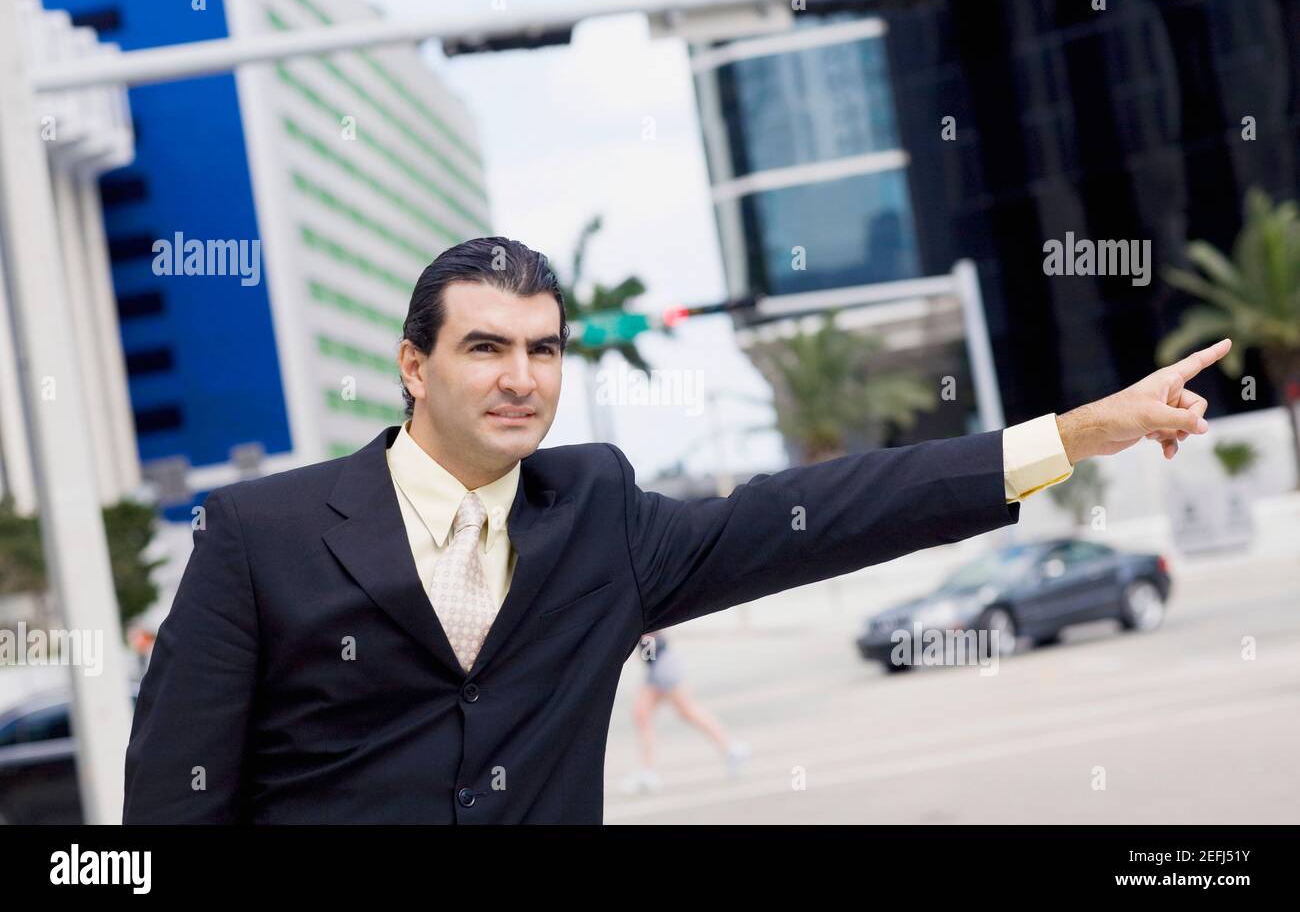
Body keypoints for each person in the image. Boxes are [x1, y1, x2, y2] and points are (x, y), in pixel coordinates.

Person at [122, 235, 1232, 824]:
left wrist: (1074, 432)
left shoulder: (595, 515)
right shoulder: (261, 532)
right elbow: (175, 799)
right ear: (414, 363)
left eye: (544, 349)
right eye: (484, 347)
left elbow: (815, 516)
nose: (521, 378)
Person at [620, 629, 751, 794]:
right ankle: (648, 772)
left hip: (661, 664)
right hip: (658, 664)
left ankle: (732, 749)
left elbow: (650, 635)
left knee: (686, 711)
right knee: (643, 715)